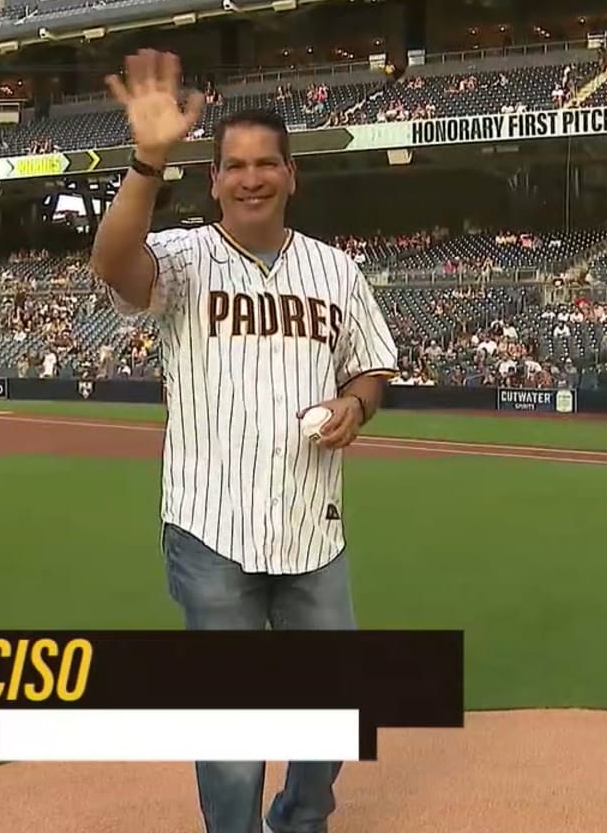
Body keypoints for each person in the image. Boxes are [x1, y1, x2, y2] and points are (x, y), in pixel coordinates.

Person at [90, 48, 398, 833]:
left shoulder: (336, 271)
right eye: (235, 166)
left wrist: (357, 407)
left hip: (310, 526)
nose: (252, 178)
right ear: (215, 179)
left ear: (293, 175)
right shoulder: (186, 260)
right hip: (209, 525)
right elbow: (113, 262)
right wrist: (148, 157)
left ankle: (297, 818)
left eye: (267, 164)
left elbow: (372, 369)